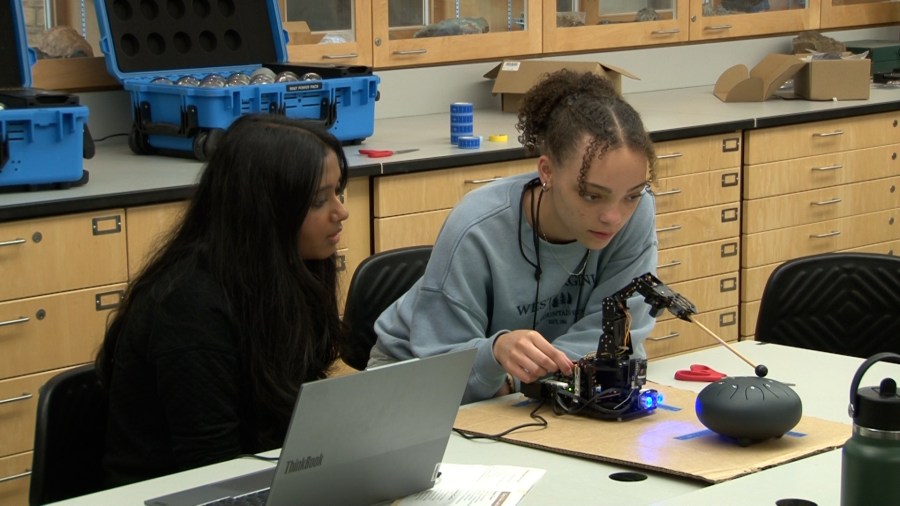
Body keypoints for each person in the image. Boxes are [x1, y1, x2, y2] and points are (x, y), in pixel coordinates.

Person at [368, 69, 659, 404]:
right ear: (547, 171)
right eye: (592, 195)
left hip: (522, 390)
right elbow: (442, 360)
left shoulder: (637, 212)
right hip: (415, 376)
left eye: (632, 195)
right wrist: (494, 354)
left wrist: (529, 381)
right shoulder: (477, 226)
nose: (614, 216)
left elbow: (617, 336)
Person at [95, 114, 350, 486]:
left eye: (338, 192)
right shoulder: (188, 308)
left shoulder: (288, 273)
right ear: (265, 211)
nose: (341, 211)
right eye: (317, 200)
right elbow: (212, 471)